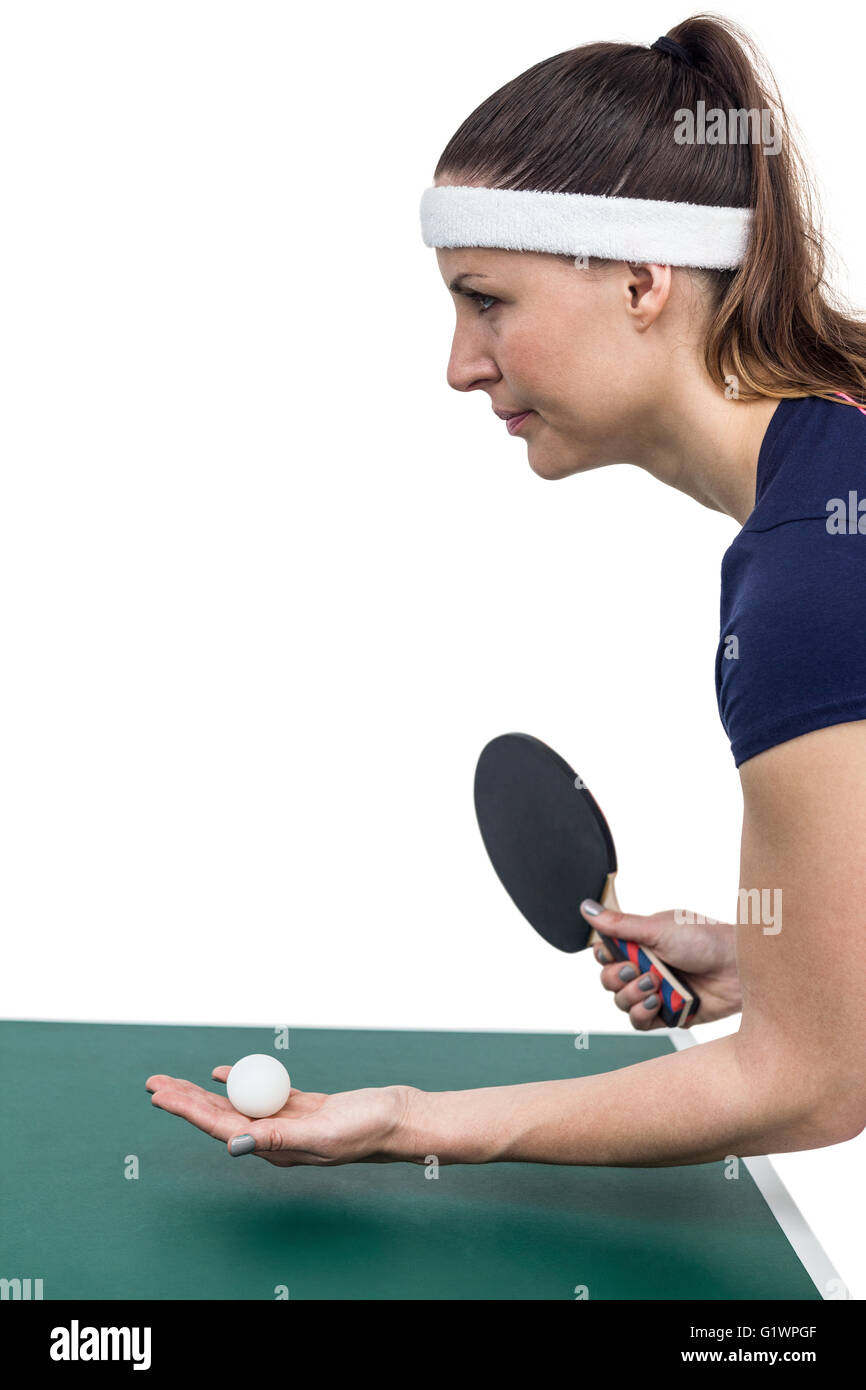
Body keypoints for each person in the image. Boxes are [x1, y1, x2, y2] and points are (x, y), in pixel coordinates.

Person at [147, 14, 866, 1168]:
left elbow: (813, 1085)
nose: (457, 363)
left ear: (641, 280)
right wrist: (796, 956)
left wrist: (411, 1118)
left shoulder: (813, 580)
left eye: (486, 299)